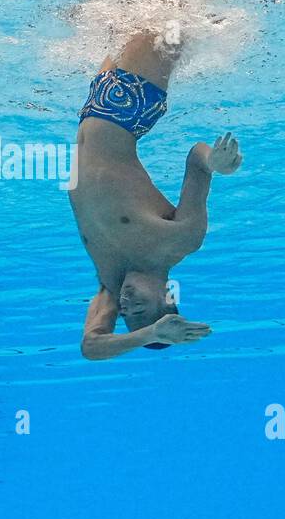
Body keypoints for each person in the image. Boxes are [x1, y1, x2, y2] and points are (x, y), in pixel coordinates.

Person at [68, 29, 242, 359]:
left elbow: (91, 347)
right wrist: (219, 163)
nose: (127, 304)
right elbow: (197, 160)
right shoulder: (181, 240)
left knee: (112, 0)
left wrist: (147, 334)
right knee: (171, 14)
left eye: (124, 314)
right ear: (167, 296)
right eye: (141, 309)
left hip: (94, 107)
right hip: (130, 103)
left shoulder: (111, 279)